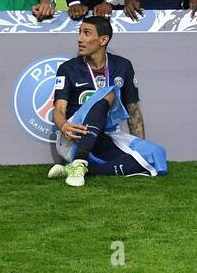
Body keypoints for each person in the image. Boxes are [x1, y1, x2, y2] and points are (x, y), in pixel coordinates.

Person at [47, 16, 166, 187]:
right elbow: (59, 109)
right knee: (110, 92)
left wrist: (139, 146)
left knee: (155, 156)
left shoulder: (123, 66)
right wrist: (64, 126)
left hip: (107, 137)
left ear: (103, 40)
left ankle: (78, 169)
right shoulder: (68, 68)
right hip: (75, 136)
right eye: (80, 32)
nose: (80, 38)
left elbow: (133, 110)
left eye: (86, 33)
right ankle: (79, 160)